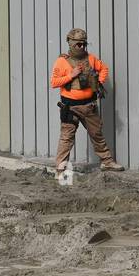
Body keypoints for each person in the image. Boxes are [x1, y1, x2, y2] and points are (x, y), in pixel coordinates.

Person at [50, 28, 123, 173]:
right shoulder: (61, 61)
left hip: (89, 106)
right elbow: (54, 82)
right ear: (71, 44)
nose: (82, 47)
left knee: (97, 134)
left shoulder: (91, 59)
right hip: (70, 107)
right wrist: (71, 75)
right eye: (78, 44)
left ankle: (107, 162)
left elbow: (104, 69)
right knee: (67, 137)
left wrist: (99, 83)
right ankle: (61, 167)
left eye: (84, 44)